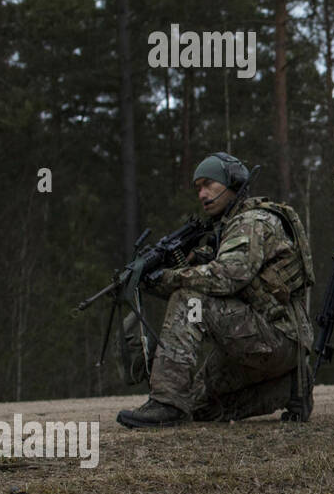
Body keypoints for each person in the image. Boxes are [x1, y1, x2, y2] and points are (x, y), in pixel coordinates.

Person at [117, 153, 314, 427]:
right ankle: (291, 389)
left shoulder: (251, 222)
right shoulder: (227, 229)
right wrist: (155, 280)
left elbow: (227, 277)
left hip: (275, 335)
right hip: (268, 340)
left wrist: (168, 277)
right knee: (198, 406)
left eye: (209, 184)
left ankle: (165, 403)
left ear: (233, 183)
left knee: (188, 299)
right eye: (198, 187)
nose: (202, 193)